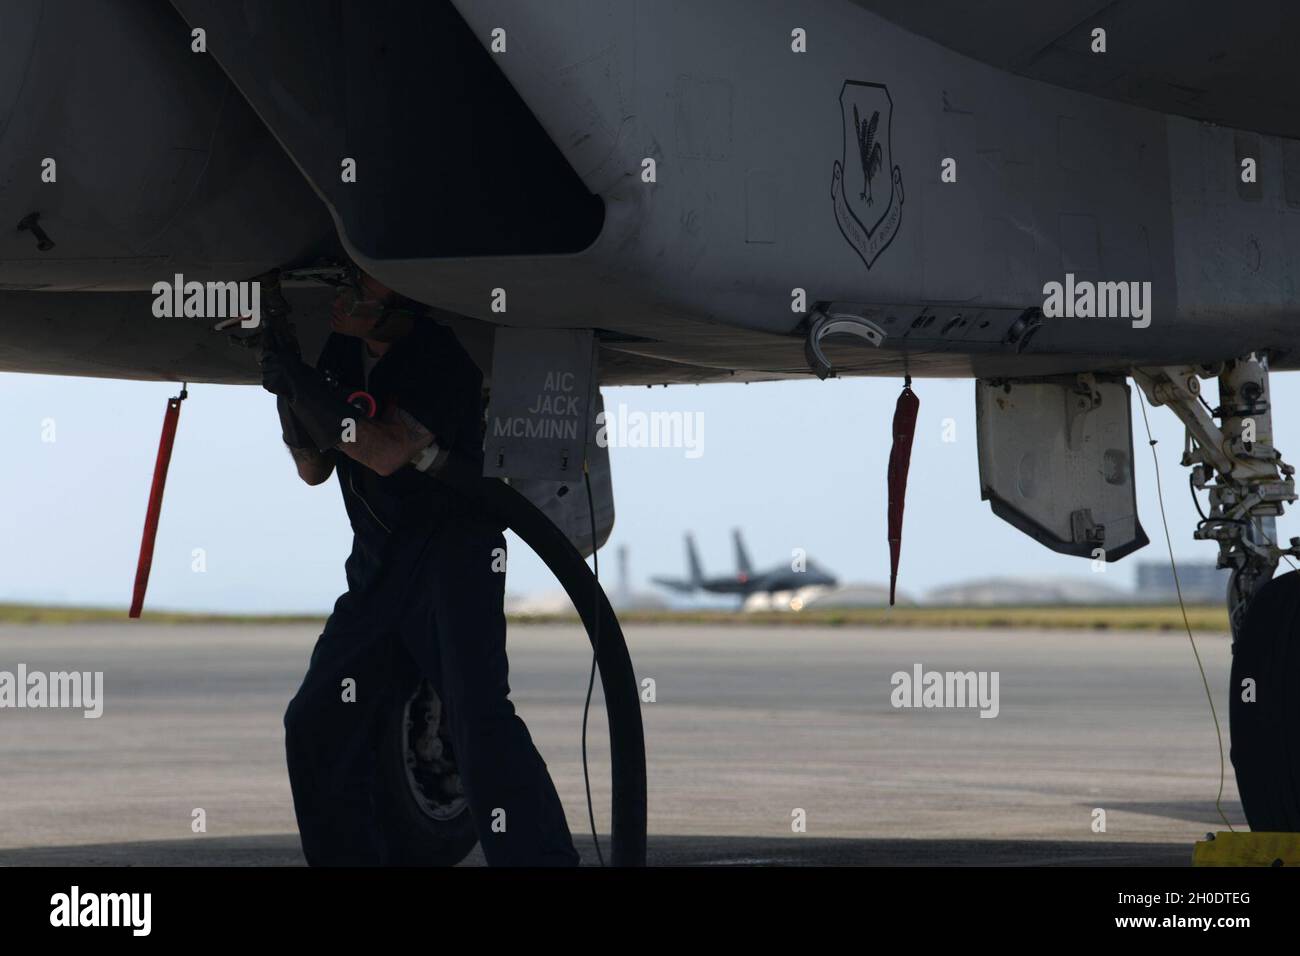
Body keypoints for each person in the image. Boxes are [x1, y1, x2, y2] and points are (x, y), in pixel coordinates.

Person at [260, 270, 579, 866]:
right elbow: (314, 470)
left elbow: (383, 452)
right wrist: (289, 394)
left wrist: (307, 389)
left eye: (364, 289)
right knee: (316, 722)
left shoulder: (439, 360)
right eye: (347, 283)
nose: (344, 297)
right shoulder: (342, 353)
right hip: (379, 565)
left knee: (477, 722)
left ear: (402, 302)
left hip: (451, 562)